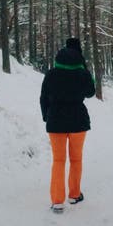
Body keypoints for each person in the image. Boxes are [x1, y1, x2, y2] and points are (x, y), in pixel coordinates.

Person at [40, 37, 96, 213]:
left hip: (56, 120)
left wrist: (46, 116)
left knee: (58, 160)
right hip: (78, 121)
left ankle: (57, 200)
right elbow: (91, 92)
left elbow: (43, 98)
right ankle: (74, 194)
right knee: (76, 159)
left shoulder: (51, 74)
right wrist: (84, 70)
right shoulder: (82, 73)